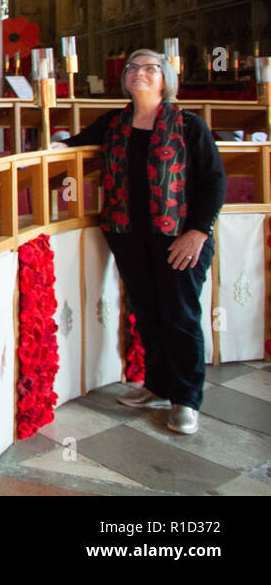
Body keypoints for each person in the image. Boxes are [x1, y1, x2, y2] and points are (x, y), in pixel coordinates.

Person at [51, 49, 226, 434]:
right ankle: (157, 386)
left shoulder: (188, 125)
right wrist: (59, 147)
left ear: (166, 78)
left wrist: (198, 232)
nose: (139, 73)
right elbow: (76, 143)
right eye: (132, 68)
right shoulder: (115, 121)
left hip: (180, 238)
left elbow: (215, 181)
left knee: (180, 317)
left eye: (150, 68)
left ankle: (185, 399)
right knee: (147, 311)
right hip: (129, 234)